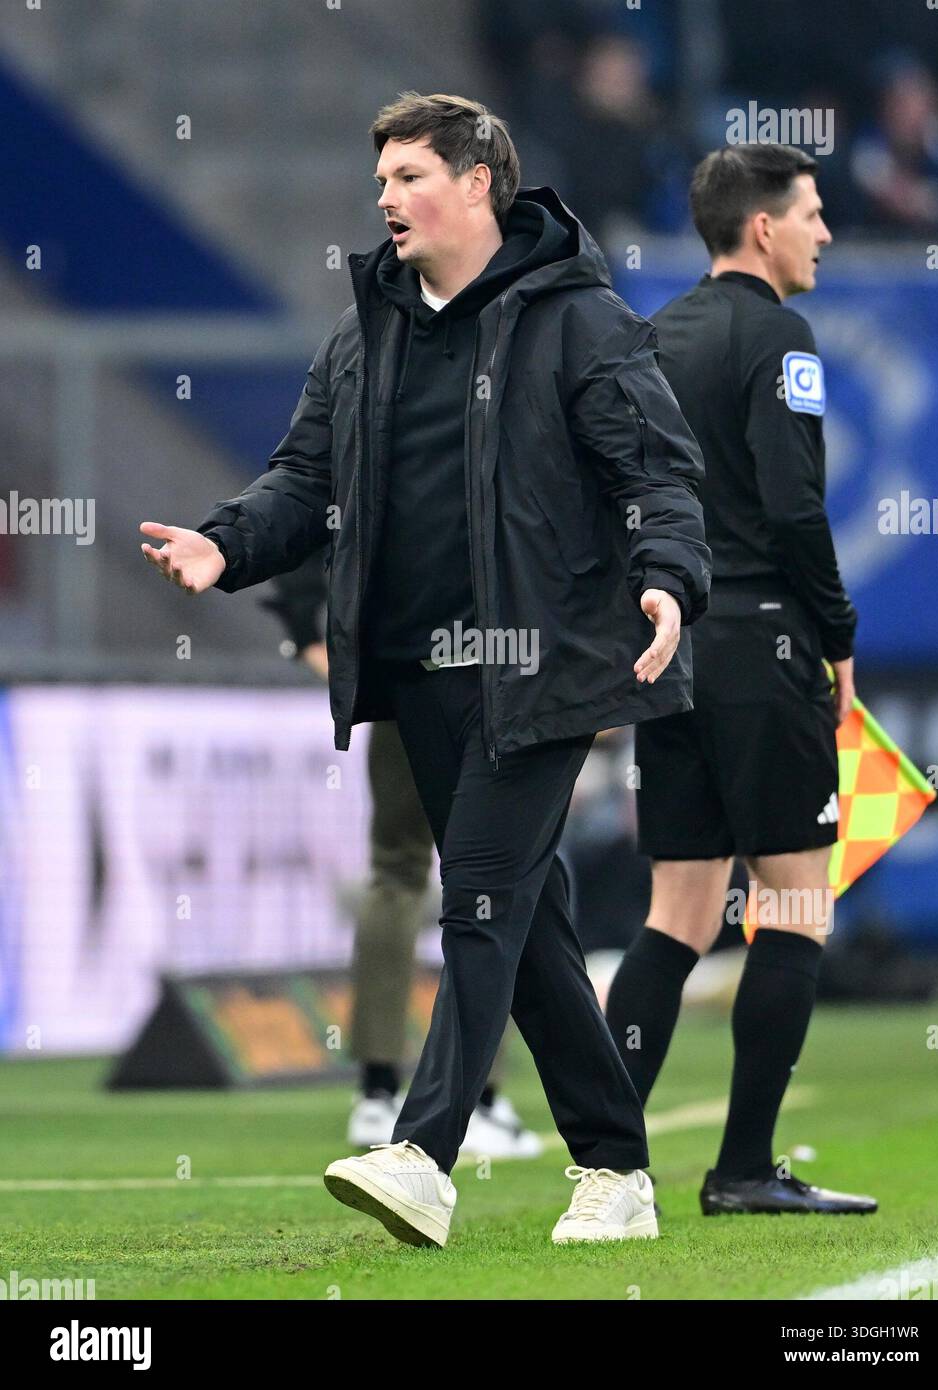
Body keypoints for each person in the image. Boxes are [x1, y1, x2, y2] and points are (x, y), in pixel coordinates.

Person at [140, 91, 710, 1248]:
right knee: (526, 914)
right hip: (417, 673)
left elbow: (655, 469)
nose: (385, 200)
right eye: (381, 181)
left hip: (546, 665)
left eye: (407, 177)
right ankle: (616, 1166)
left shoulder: (580, 321)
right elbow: (304, 478)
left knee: (481, 898)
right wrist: (227, 540)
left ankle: (424, 1150)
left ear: (478, 182)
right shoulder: (366, 329)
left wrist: (669, 573)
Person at [606, 143, 877, 1216]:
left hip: (670, 646)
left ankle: (610, 1162)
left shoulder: (649, 337)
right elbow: (797, 504)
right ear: (761, 227)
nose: (822, 233)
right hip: (764, 644)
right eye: (811, 214)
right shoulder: (782, 338)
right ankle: (746, 1170)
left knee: (677, 914)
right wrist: (837, 630)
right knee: (796, 905)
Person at [263, 554, 542, 1159]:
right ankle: (479, 1100)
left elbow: (316, 516)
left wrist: (307, 634)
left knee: (395, 871)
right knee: (494, 882)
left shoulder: (380, 457)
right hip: (493, 679)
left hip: (403, 675)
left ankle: (377, 1092)